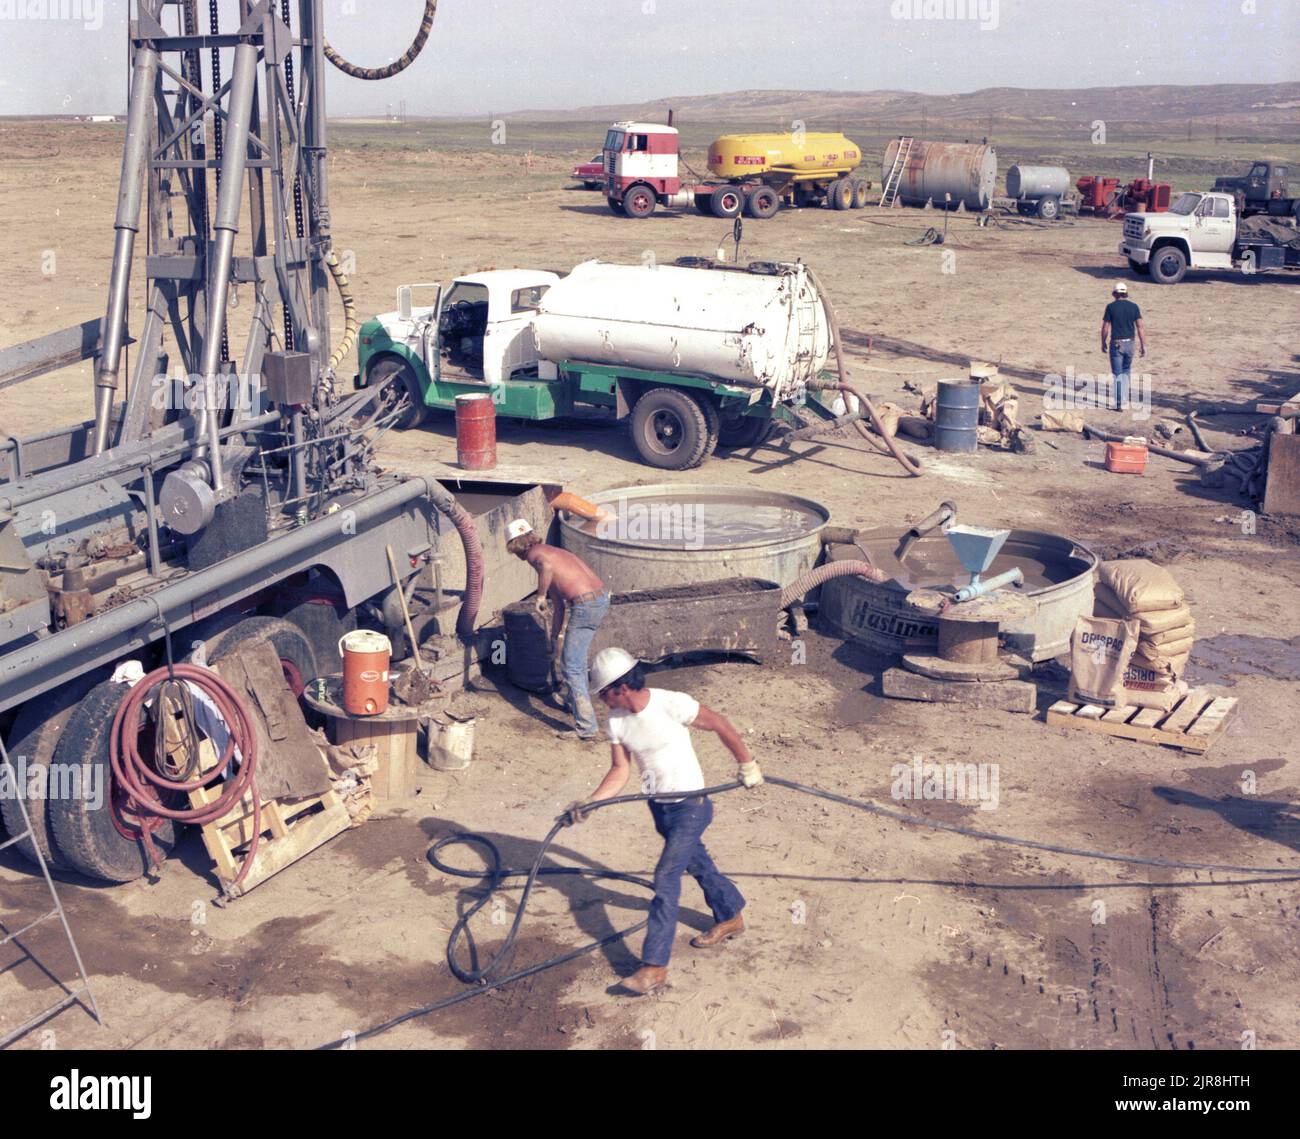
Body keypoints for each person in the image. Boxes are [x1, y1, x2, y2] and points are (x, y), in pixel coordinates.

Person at [563, 648, 762, 995]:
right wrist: (592, 801)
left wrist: (747, 763)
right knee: (698, 865)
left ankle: (654, 967)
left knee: (666, 877)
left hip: (692, 807)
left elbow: (719, 723)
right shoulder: (617, 722)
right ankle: (731, 915)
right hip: (661, 810)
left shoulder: (672, 704)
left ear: (621, 687)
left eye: (603, 694)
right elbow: (620, 770)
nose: (602, 702)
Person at [505, 518, 609, 740]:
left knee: (571, 666)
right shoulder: (552, 552)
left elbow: (546, 567)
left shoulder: (537, 556)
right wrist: (554, 640)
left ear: (515, 546)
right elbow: (559, 606)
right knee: (575, 661)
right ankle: (574, 702)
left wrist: (539, 595)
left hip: (585, 605)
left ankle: (587, 727)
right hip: (599, 600)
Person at [1100, 281, 1146, 411]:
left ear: (1115, 294)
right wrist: (1143, 345)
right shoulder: (1134, 307)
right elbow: (1140, 327)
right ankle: (1124, 399)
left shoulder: (1110, 307)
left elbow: (1105, 327)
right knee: (1126, 371)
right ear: (1126, 293)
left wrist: (1102, 342)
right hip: (1130, 344)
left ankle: (1119, 403)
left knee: (1118, 374)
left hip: (1117, 344)